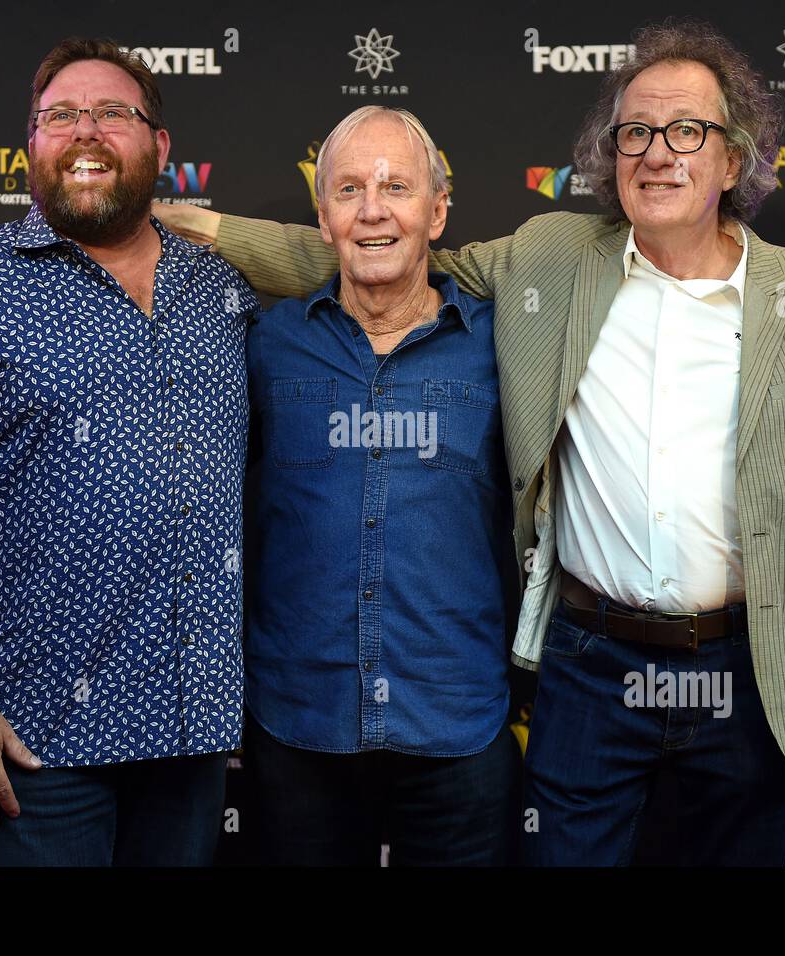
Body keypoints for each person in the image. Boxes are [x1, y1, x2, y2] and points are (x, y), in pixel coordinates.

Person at [151, 17, 785, 866]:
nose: (658, 153)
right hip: (589, 673)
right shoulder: (550, 259)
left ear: (733, 159)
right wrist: (194, 230)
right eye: (635, 133)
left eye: (687, 131)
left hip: (749, 673)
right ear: (609, 155)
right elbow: (381, 256)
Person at [0, 37, 257, 866]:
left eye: (114, 113)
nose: (86, 132)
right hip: (29, 744)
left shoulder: (223, 289)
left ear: (160, 147)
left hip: (190, 732)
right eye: (60, 116)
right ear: (31, 143)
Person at [240, 106, 522, 865]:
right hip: (300, 724)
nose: (373, 209)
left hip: (457, 723)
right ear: (323, 216)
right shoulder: (268, 342)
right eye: (349, 189)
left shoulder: (504, 346)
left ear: (436, 212)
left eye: (397, 187)